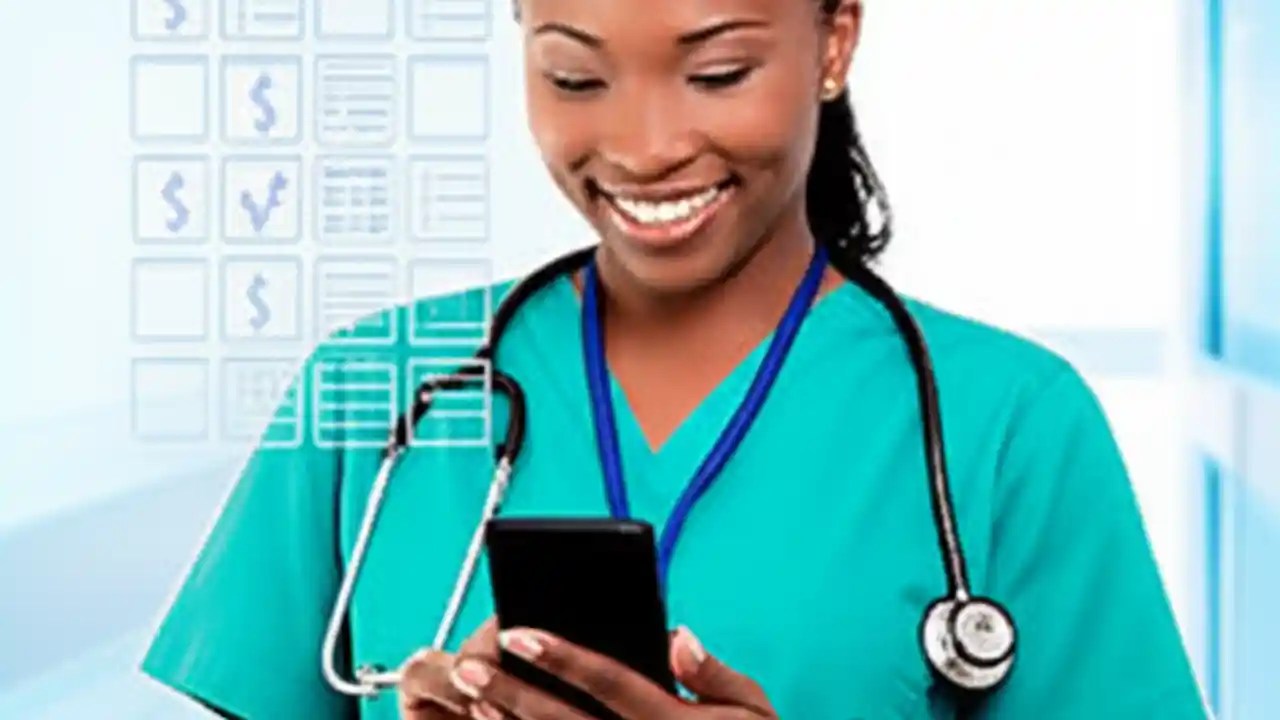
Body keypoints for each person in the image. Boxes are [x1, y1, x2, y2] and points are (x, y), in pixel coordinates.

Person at [140, 0, 1210, 718]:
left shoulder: (1009, 422)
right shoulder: (372, 388)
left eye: (716, 72)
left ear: (833, 42)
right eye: (574, 76)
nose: (644, 147)